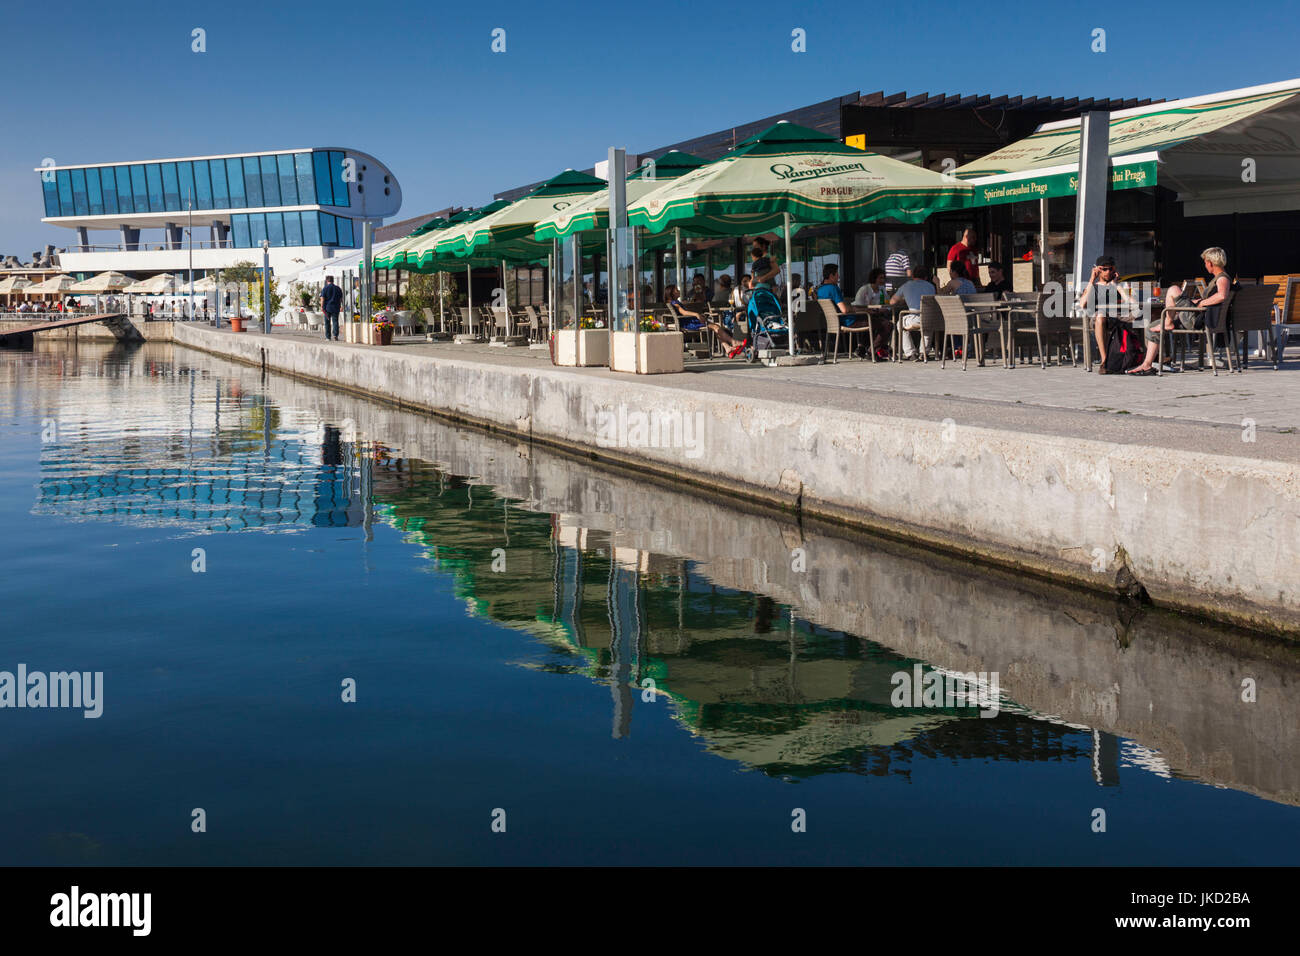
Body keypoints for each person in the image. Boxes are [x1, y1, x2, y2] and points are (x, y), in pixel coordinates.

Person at [1126, 249, 1232, 375]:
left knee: (1173, 289)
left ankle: (1168, 322)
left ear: (1210, 263)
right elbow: (1217, 297)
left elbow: (1222, 296)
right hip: (1198, 316)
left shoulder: (1222, 279)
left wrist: (1202, 303)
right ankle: (1147, 364)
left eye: (1205, 262)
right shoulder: (1220, 278)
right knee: (1152, 327)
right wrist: (1198, 300)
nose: (1204, 265)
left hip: (1198, 321)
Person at [1076, 255, 1134, 374]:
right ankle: (1105, 360)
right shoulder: (1094, 287)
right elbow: (1082, 304)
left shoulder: (1119, 285)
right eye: (1104, 269)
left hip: (1118, 316)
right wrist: (1092, 279)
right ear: (1098, 269)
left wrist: (1116, 285)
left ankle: (1150, 357)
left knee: (1146, 314)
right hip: (1100, 318)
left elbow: (1132, 302)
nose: (1108, 272)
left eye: (1111, 269)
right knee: (1101, 315)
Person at [891, 264, 937, 360]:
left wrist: (904, 299)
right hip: (929, 318)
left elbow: (892, 301)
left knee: (900, 323)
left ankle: (910, 352)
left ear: (913, 276)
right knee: (927, 323)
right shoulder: (931, 286)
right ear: (926, 277)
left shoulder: (906, 285)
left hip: (915, 318)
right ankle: (924, 352)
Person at [320, 275, 343, 341]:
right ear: (333, 280)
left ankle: (328, 337)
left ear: (327, 281)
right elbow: (341, 298)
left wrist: (322, 306)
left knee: (327, 322)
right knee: (335, 321)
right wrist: (342, 306)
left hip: (327, 308)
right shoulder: (338, 288)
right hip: (336, 307)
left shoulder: (325, 288)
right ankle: (335, 335)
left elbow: (322, 298)